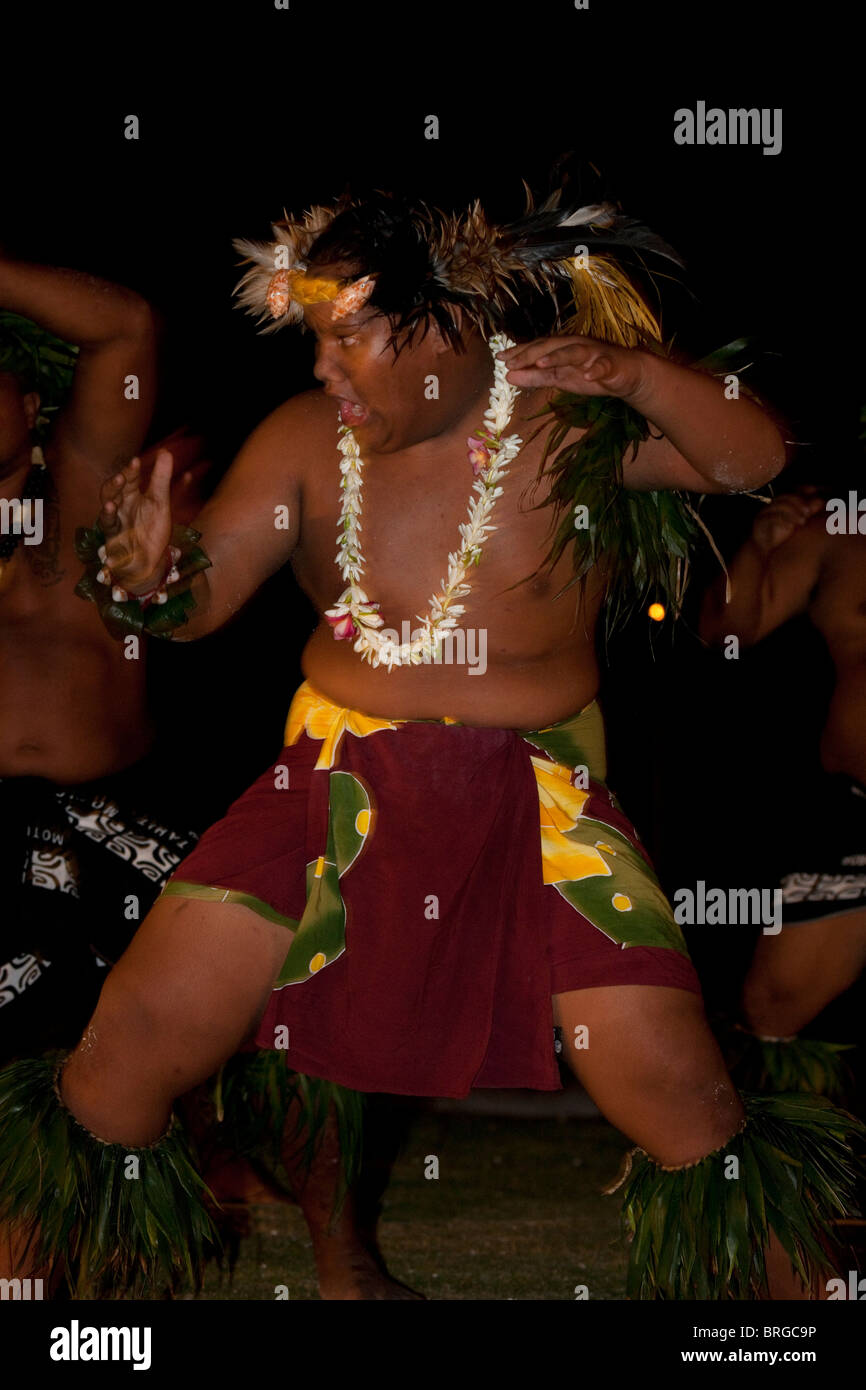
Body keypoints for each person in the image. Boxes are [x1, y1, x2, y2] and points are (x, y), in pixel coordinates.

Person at [0, 191, 860, 1301]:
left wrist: (638, 376)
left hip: (536, 804)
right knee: (125, 1053)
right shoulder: (308, 444)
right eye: (314, 338)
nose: (322, 365)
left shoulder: (566, 431)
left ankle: (811, 1306)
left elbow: (749, 459)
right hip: (327, 786)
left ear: (446, 327)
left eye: (345, 335)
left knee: (674, 1090)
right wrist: (146, 570)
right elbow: (192, 608)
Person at [0, 259, 409, 1301]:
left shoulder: (84, 495)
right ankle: (43, 1251)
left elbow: (126, 324)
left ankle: (342, 1254)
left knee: (295, 991)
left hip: (123, 821)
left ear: (32, 404)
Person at [700, 483, 866, 1098]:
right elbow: (728, 632)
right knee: (772, 1012)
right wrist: (757, 548)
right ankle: (767, 1184)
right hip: (854, 809)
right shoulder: (841, 531)